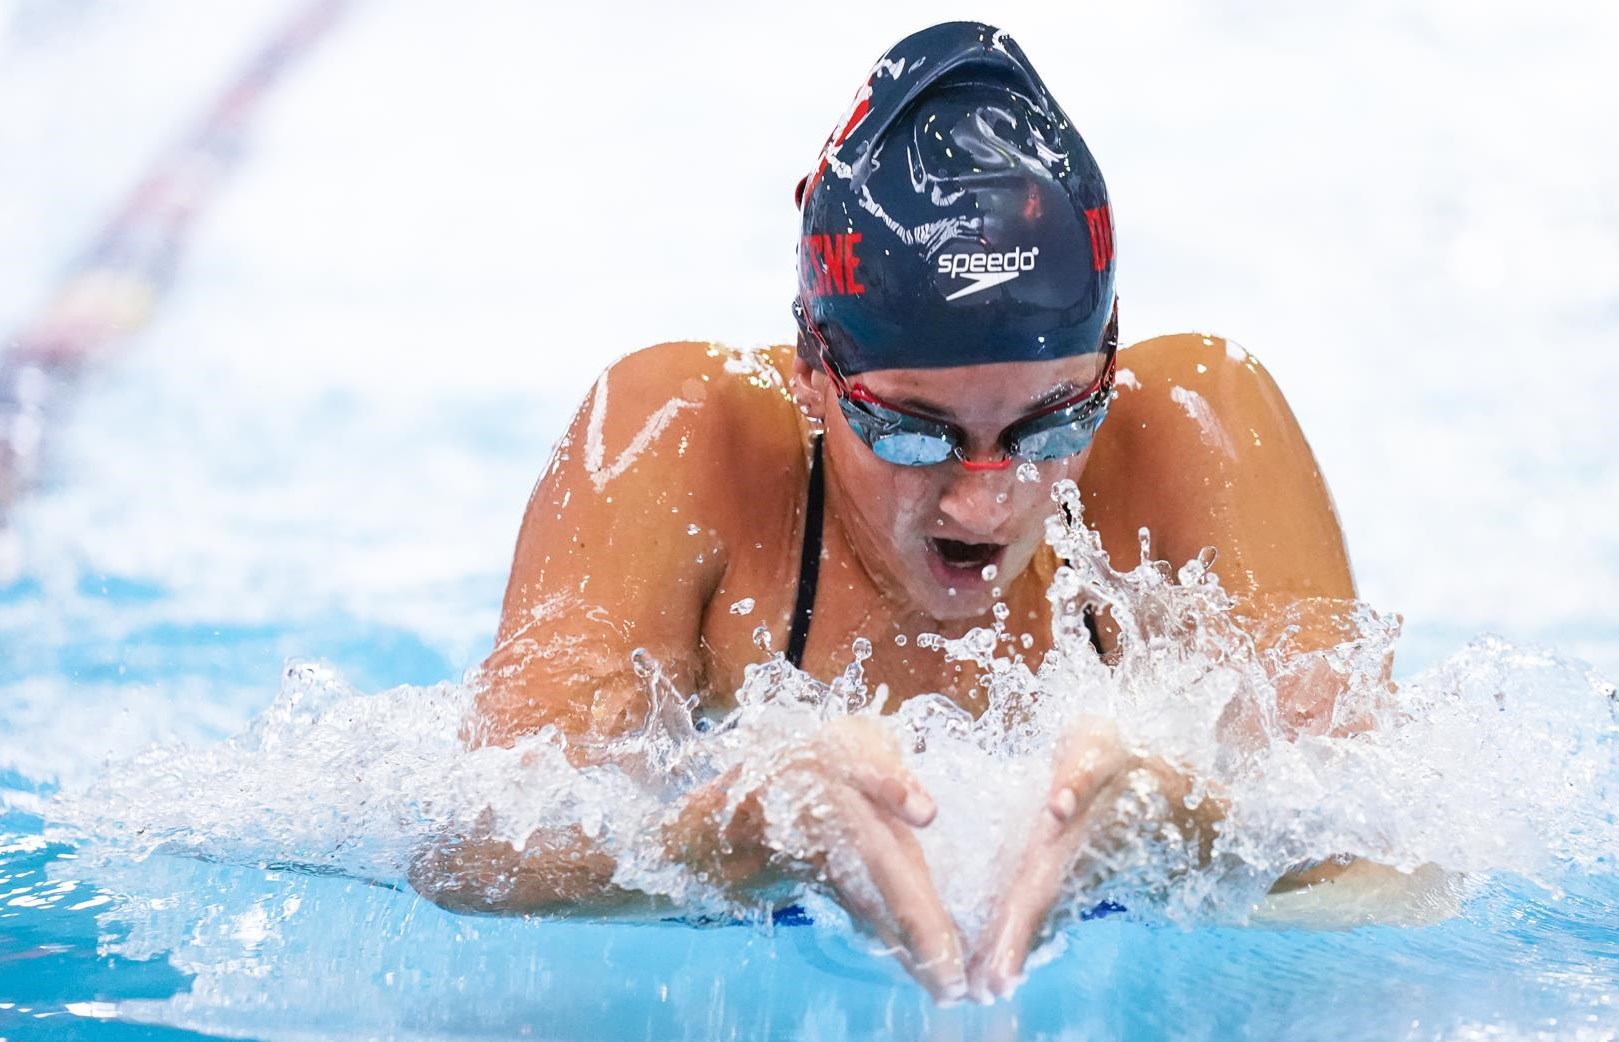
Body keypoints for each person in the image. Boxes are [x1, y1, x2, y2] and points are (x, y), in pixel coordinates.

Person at [411, 21, 1380, 1002]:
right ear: (809, 367)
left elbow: (1394, 865)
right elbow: (477, 858)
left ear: (1110, 362)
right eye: (916, 432)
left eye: (1052, 423)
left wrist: (1184, 833)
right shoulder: (678, 444)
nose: (985, 496)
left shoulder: (1195, 433)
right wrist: (730, 836)